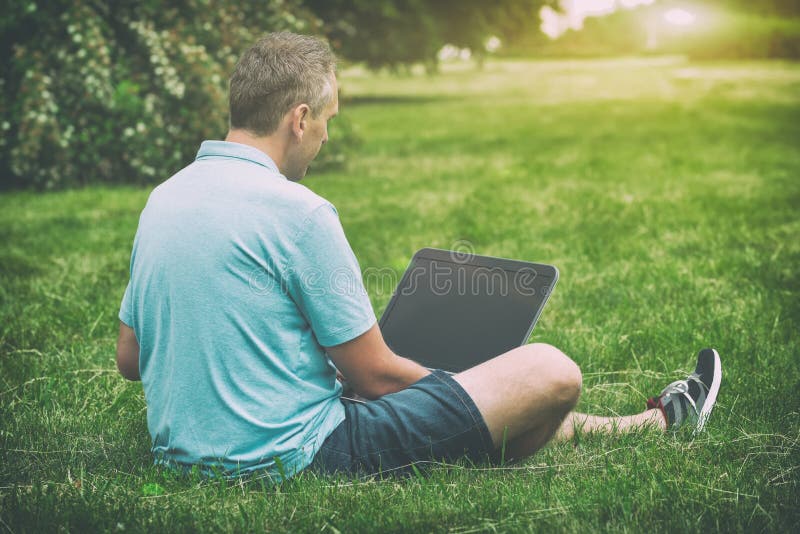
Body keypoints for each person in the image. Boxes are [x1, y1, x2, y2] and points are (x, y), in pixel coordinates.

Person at [116, 32, 722, 481]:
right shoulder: (300, 212)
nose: (326, 137)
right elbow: (374, 377)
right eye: (327, 121)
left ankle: (652, 423)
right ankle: (646, 420)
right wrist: (464, 389)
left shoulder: (164, 199)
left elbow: (132, 358)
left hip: (181, 458)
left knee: (504, 395)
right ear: (299, 120)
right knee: (549, 372)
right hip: (300, 454)